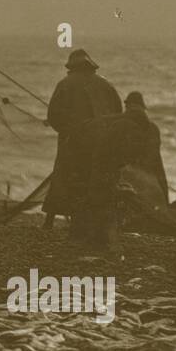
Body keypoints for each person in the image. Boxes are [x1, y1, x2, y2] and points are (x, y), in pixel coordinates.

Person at [59, 91, 169, 248]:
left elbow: (117, 157)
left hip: (86, 149)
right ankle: (86, 238)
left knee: (98, 193)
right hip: (82, 150)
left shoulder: (124, 123)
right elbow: (103, 156)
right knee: (94, 193)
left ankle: (93, 237)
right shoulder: (124, 127)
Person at [42, 48, 122, 230]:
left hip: (72, 141)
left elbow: (53, 115)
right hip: (100, 142)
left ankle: (49, 222)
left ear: (72, 67)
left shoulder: (65, 84)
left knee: (62, 176)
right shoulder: (106, 85)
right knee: (91, 178)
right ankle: (85, 222)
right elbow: (118, 114)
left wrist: (66, 131)